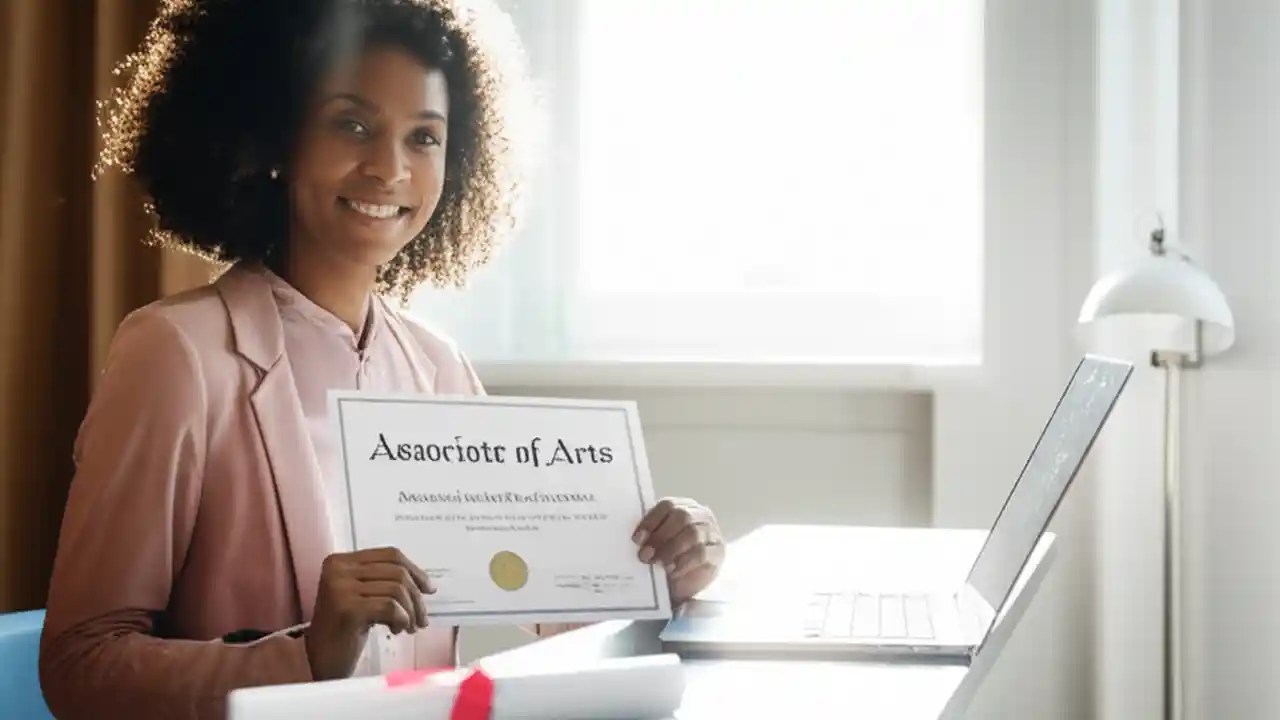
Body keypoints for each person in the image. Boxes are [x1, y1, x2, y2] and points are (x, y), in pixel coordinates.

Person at [38, 1, 726, 717]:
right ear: (275, 137)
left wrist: (666, 571)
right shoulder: (176, 353)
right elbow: (80, 666)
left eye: (424, 137)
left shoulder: (439, 366)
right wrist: (305, 656)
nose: (389, 167)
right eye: (353, 124)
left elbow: (556, 607)